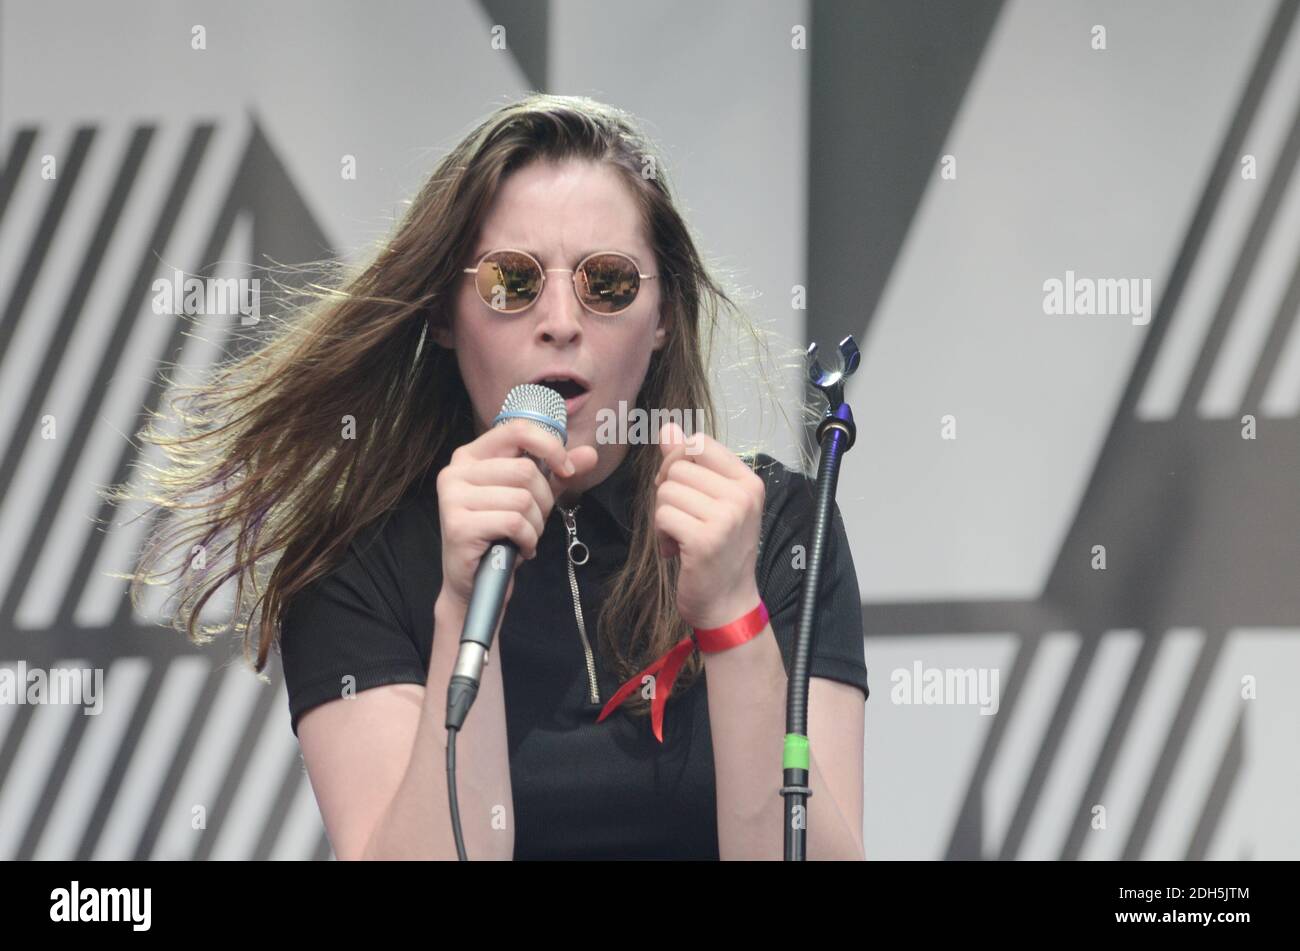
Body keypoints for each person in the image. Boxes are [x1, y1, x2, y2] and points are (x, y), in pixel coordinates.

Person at [118, 94, 869, 860]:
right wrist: (458, 603)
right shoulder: (357, 568)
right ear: (445, 314)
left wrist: (733, 618)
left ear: (665, 314)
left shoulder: (778, 529)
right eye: (512, 281)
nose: (561, 321)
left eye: (606, 282)